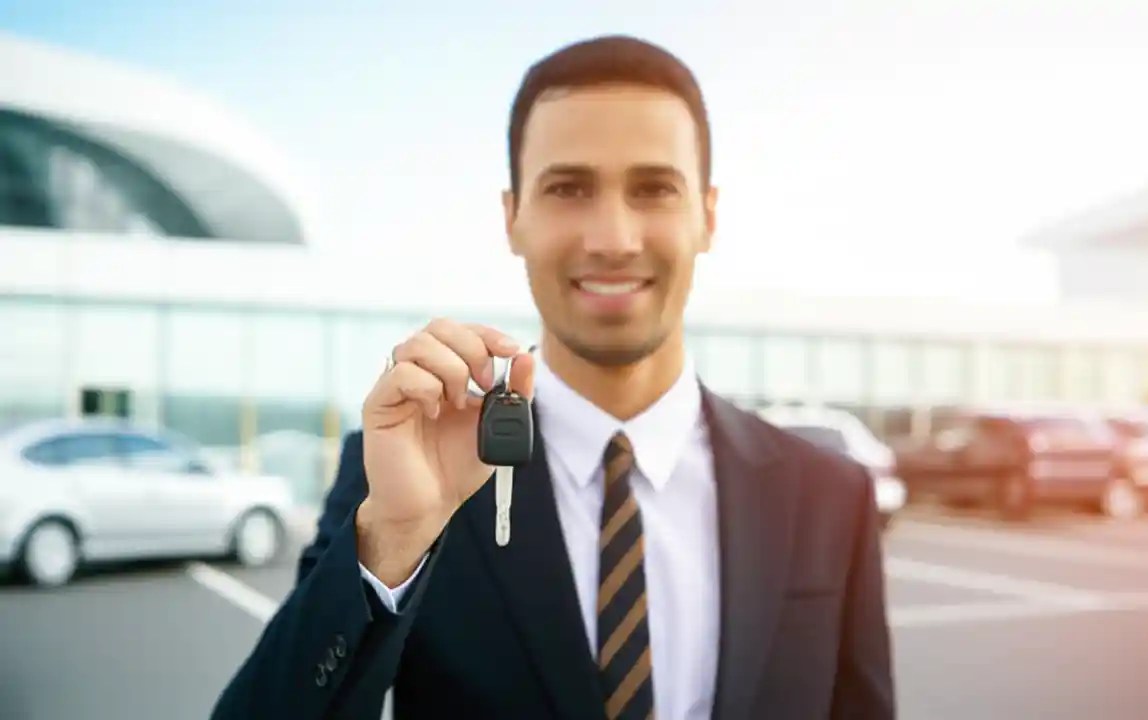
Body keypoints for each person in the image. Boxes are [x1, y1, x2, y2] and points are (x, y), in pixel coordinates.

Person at [211, 34, 895, 720]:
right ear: (513, 218)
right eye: (568, 188)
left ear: (707, 216)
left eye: (654, 188)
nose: (614, 238)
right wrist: (394, 537)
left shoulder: (828, 496)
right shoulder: (401, 476)